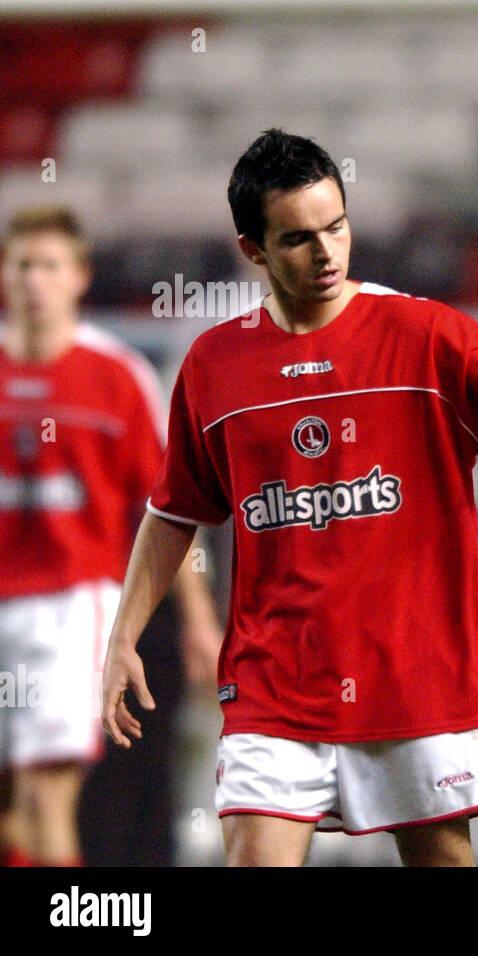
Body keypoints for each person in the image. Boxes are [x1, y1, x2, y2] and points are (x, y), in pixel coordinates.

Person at [101, 129, 478, 867]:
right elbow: (174, 512)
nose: (327, 252)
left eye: (336, 226)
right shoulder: (215, 367)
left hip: (414, 685)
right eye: (299, 238)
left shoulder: (424, 335)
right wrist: (121, 638)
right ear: (254, 250)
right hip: (275, 689)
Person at [0, 206, 222, 867]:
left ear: (79, 278)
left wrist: (199, 621)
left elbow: (170, 508)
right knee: (15, 810)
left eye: (50, 266)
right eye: (22, 266)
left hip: (70, 610)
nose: (34, 280)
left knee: (47, 796)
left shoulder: (118, 376)